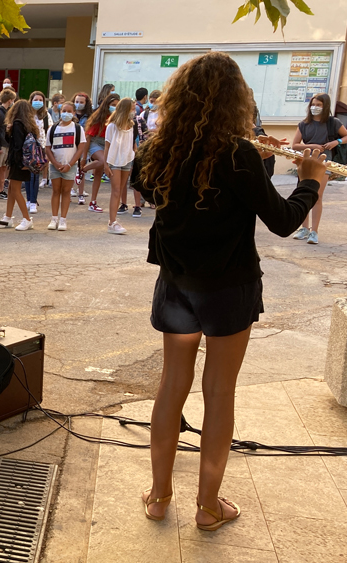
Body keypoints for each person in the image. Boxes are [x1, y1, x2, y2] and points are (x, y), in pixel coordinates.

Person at [131, 51, 322, 532]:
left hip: (176, 287)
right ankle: (208, 507)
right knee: (219, 393)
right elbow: (282, 220)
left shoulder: (157, 148)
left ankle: (159, 495)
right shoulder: (236, 156)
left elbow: (152, 192)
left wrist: (260, 162)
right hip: (229, 291)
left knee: (170, 387)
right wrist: (310, 182)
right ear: (237, 100)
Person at [290, 93, 347, 245]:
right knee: (303, 194)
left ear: (325, 106)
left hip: (324, 164)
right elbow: (294, 145)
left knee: (317, 196)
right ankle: (303, 228)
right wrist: (311, 146)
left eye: (319, 105)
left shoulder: (333, 122)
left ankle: (314, 231)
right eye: (313, 104)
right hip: (306, 163)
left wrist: (337, 142)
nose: (315, 107)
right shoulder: (304, 124)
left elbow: (346, 136)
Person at [44, 102, 87, 231]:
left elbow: (80, 149)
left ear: (73, 113)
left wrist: (70, 164)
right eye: (64, 111)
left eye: (69, 111)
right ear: (60, 111)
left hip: (70, 165)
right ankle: (54, 218)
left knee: (66, 191)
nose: (66, 114)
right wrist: (55, 163)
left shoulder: (78, 129)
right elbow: (47, 148)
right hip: (55, 165)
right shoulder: (53, 129)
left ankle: (63, 219)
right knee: (56, 191)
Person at [0, 99, 34, 231]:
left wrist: (19, 163)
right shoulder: (29, 125)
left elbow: (17, 145)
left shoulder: (18, 124)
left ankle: (27, 218)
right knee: (12, 189)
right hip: (24, 161)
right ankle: (7, 217)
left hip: (18, 162)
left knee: (16, 190)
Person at [103, 98, 137, 234]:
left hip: (127, 160)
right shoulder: (112, 126)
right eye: (132, 109)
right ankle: (112, 222)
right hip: (114, 160)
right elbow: (107, 146)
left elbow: (132, 144)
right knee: (116, 190)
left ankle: (114, 220)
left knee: (121, 189)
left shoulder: (131, 125)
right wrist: (106, 164)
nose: (134, 112)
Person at [82, 93, 120, 212]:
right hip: (95, 142)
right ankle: (82, 170)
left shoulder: (116, 118)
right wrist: (84, 158)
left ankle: (93, 202)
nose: (114, 107)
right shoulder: (99, 117)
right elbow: (88, 137)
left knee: (98, 174)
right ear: (107, 105)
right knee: (103, 161)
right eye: (112, 105)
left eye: (117, 105)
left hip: (107, 144)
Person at [24, 91, 51, 214]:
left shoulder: (46, 116)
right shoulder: (27, 115)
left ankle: (34, 201)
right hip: (28, 147)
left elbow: (49, 132)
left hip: (41, 147)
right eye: (36, 99)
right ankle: (29, 199)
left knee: (35, 175)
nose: (38, 102)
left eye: (41, 100)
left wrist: (47, 151)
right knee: (28, 175)